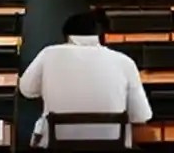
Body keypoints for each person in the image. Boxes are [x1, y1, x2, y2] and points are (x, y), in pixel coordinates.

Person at [19, 11, 152, 148]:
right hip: (111, 147)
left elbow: (26, 90)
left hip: (58, 145)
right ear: (100, 35)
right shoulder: (125, 62)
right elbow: (141, 116)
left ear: (66, 36)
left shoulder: (48, 54)